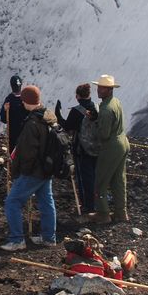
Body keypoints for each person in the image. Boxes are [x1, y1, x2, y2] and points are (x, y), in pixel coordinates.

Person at [0, 84, 58, 251]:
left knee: (12, 202)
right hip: (47, 168)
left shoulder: (32, 123)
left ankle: (17, 239)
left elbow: (27, 152)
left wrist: (19, 171)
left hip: (33, 170)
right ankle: (49, 237)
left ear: (26, 101)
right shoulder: (49, 116)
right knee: (47, 201)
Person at [91, 74, 130, 224]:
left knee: (101, 181)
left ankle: (103, 214)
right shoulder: (116, 102)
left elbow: (104, 135)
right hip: (123, 142)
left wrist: (95, 122)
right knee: (118, 179)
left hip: (111, 147)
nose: (99, 90)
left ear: (109, 90)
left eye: (102, 88)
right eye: (99, 87)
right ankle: (121, 213)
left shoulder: (106, 109)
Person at [55, 83, 99, 214]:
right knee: (95, 176)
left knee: (84, 178)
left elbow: (67, 127)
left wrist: (58, 114)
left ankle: (87, 205)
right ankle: (96, 203)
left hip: (82, 149)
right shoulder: (96, 107)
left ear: (77, 96)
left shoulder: (77, 111)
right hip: (96, 147)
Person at [0, 75, 27, 152]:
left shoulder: (25, 97)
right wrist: (5, 110)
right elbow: (3, 119)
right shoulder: (9, 99)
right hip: (14, 134)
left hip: (25, 133)